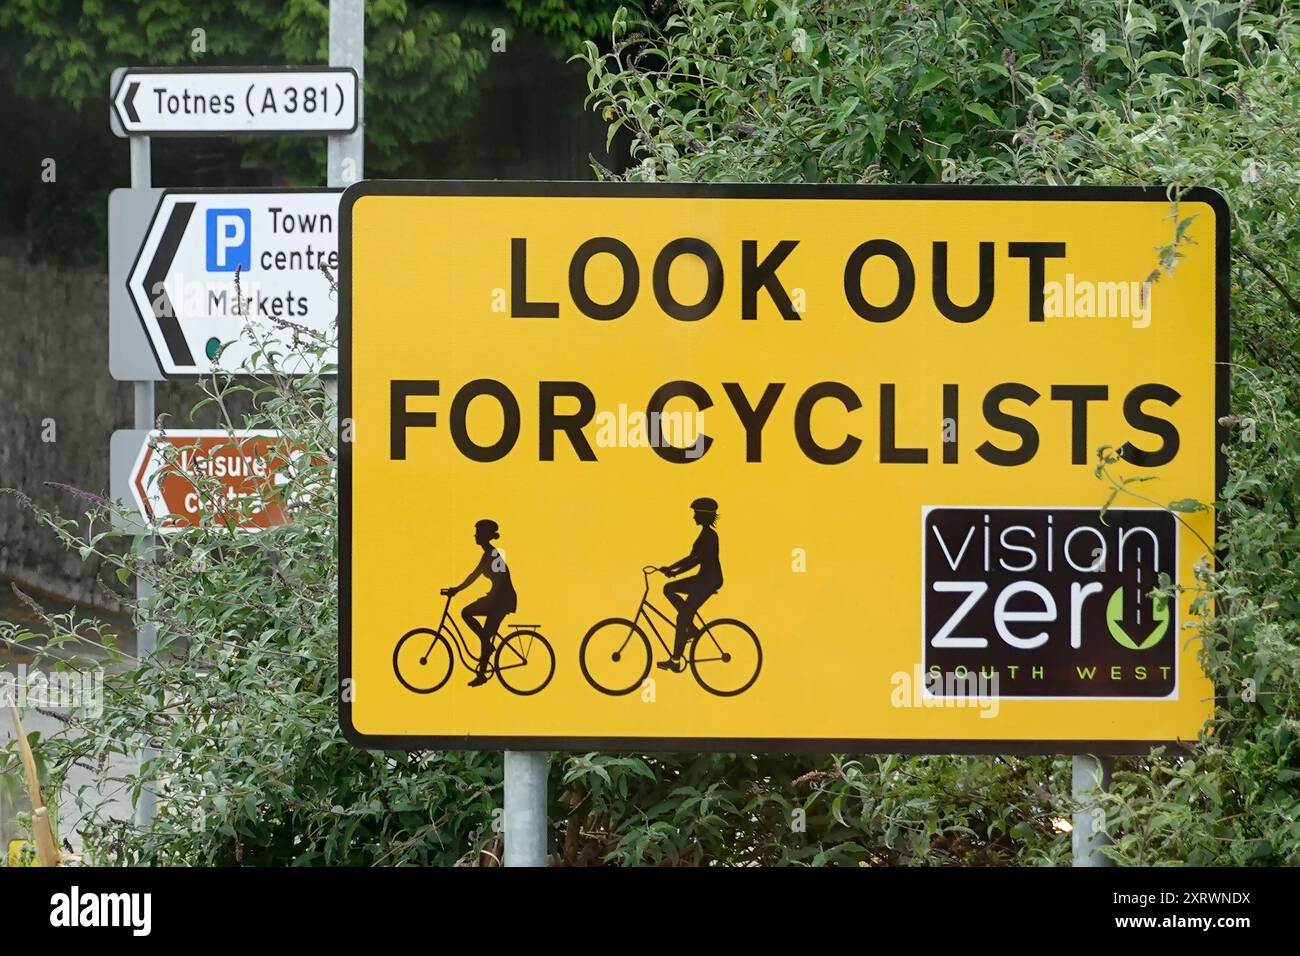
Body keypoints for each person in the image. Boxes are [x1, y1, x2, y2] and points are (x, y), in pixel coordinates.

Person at [442, 519, 517, 687]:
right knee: (483, 632)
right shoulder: (488, 554)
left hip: (501, 600)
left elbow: (500, 579)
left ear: (484, 535)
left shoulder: (493, 554)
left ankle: (483, 665)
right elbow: (473, 576)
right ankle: (486, 650)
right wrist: (456, 589)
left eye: (477, 532)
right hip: (498, 599)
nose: (475, 535)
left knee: (469, 617)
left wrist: (457, 590)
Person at [657, 497, 723, 672]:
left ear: (702, 515)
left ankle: (676, 659)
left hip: (708, 581)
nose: (693, 517)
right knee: (670, 592)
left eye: (695, 514)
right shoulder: (705, 534)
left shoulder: (710, 536)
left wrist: (675, 572)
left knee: (682, 617)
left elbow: (696, 560)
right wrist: (670, 568)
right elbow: (690, 557)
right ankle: (690, 629)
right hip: (703, 579)